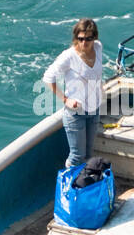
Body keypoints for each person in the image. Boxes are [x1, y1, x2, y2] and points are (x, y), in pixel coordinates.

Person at [43, 18, 104, 169]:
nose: (84, 43)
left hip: (94, 110)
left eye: (88, 39)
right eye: (80, 39)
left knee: (89, 154)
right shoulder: (68, 56)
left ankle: (86, 186)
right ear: (76, 38)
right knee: (77, 156)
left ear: (94, 37)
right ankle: (70, 185)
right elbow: (48, 77)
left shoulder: (98, 47)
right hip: (75, 113)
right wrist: (65, 99)